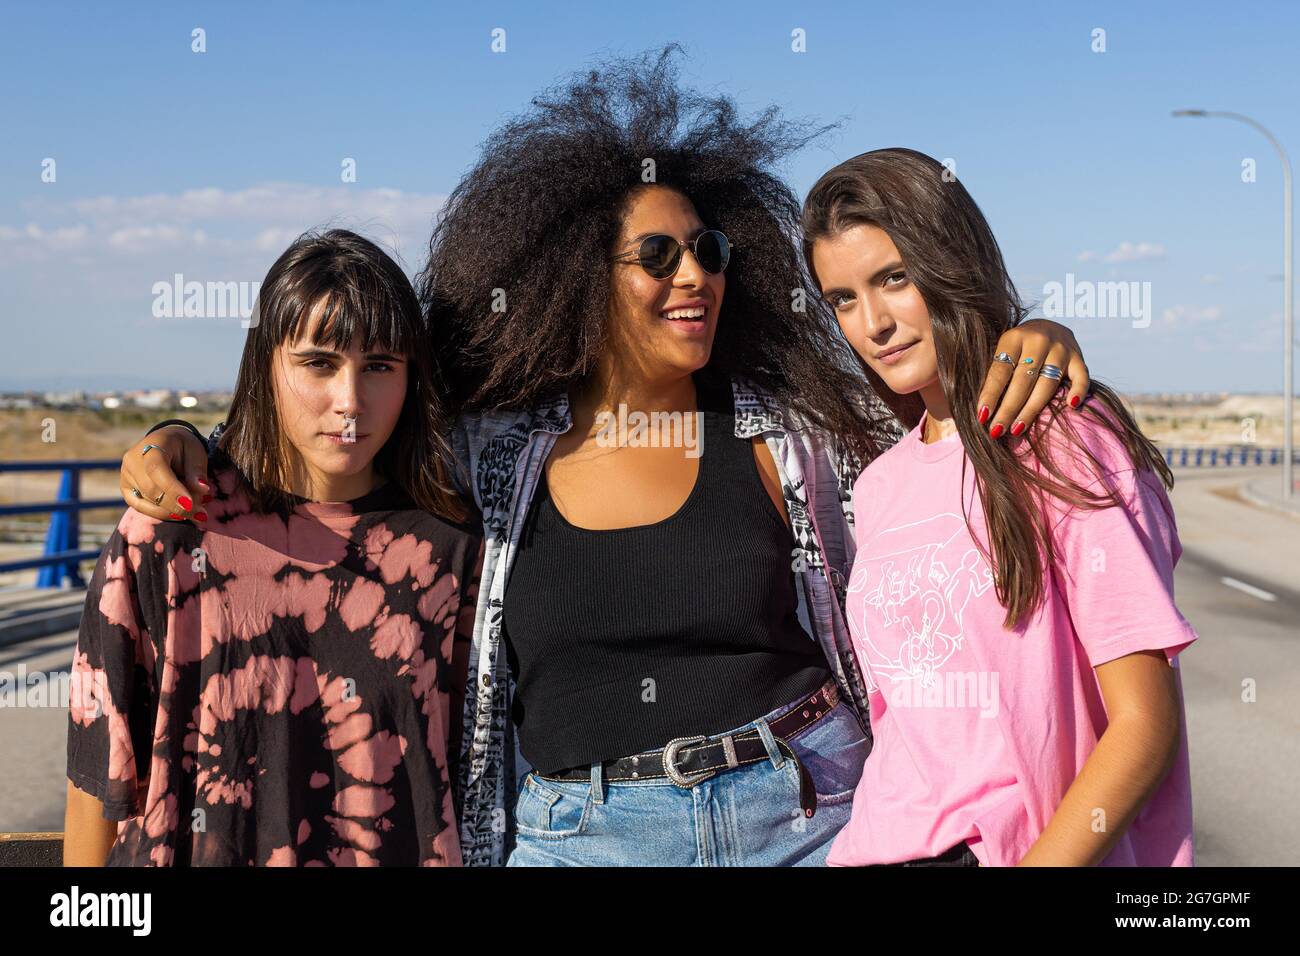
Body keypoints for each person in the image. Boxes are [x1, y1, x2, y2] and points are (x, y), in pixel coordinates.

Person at [112, 49, 1092, 866]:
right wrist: (186, 440)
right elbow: (341, 434)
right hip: (582, 838)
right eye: (658, 256)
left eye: (707, 248)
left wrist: (1033, 329)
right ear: (579, 279)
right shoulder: (492, 453)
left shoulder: (794, 434)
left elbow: (932, 435)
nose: (695, 274)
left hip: (807, 814)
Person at [802, 148, 1196, 867]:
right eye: (843, 299)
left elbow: (1143, 725)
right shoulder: (879, 485)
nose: (873, 324)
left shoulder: (1062, 442)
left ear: (952, 262)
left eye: (894, 278)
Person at [64, 230, 482, 866]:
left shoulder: (448, 553)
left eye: (379, 366)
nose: (349, 402)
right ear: (266, 365)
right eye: (318, 363)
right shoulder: (167, 535)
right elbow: (97, 779)